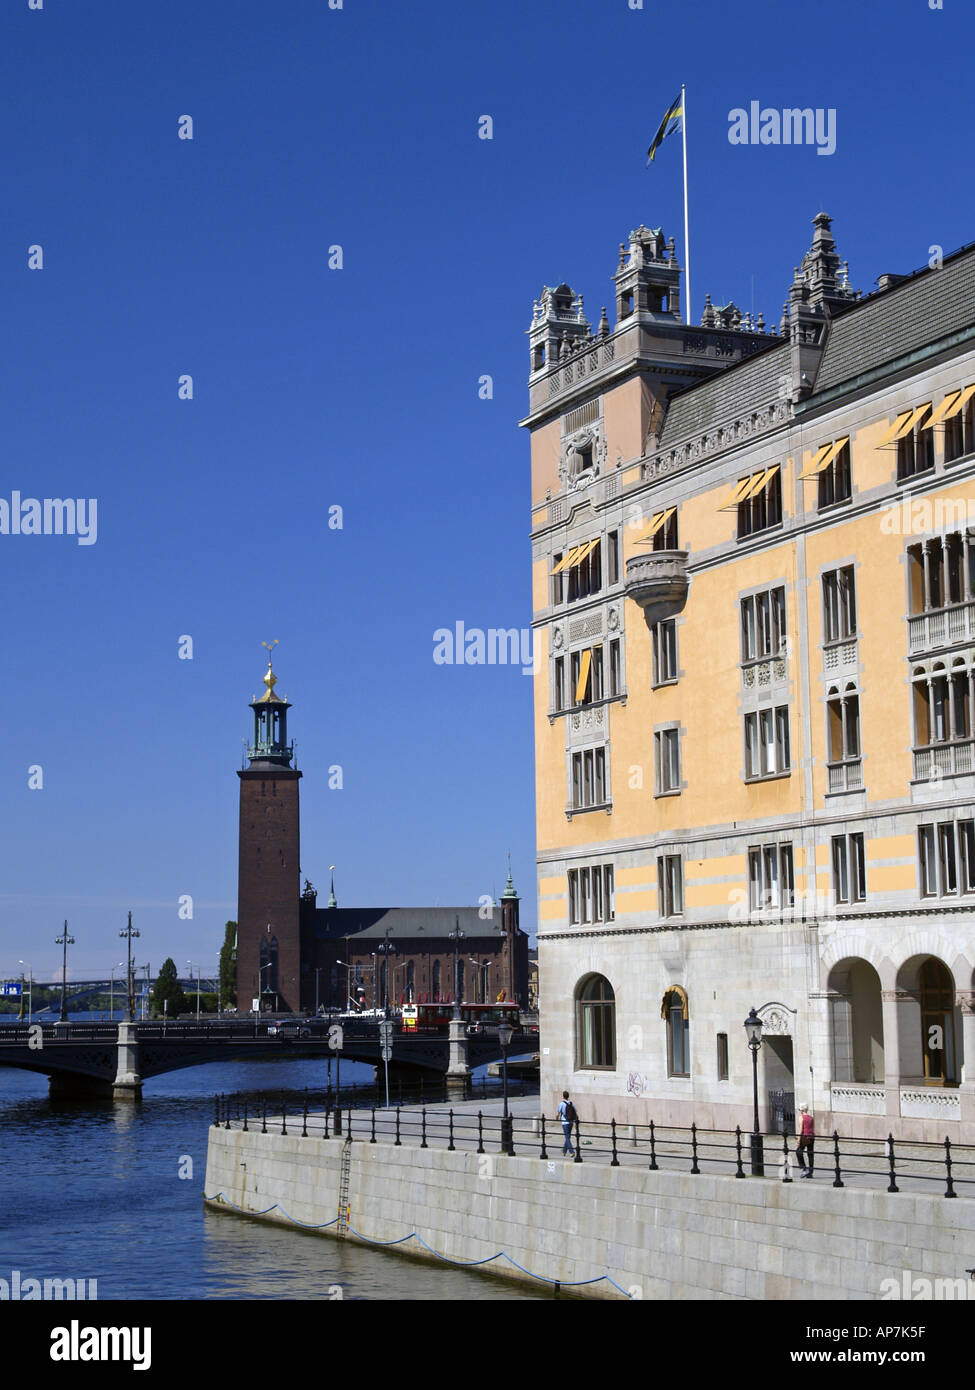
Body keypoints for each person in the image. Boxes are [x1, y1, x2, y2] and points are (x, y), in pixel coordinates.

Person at [796, 1103, 815, 1177]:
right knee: (810, 1154)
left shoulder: (801, 1117)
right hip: (812, 1137)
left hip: (804, 1137)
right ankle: (810, 1172)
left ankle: (804, 1169)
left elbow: (801, 1130)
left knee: (798, 1151)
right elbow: (812, 1128)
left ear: (802, 1110)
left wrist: (798, 1140)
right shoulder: (811, 1117)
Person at [557, 1090, 576, 1156]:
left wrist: (556, 1118)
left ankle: (571, 1152)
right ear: (568, 1096)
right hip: (571, 1122)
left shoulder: (561, 1104)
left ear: (563, 1096)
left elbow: (558, 1113)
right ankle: (564, 1151)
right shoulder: (571, 1103)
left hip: (565, 1122)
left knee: (567, 1137)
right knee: (568, 1137)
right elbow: (575, 1112)